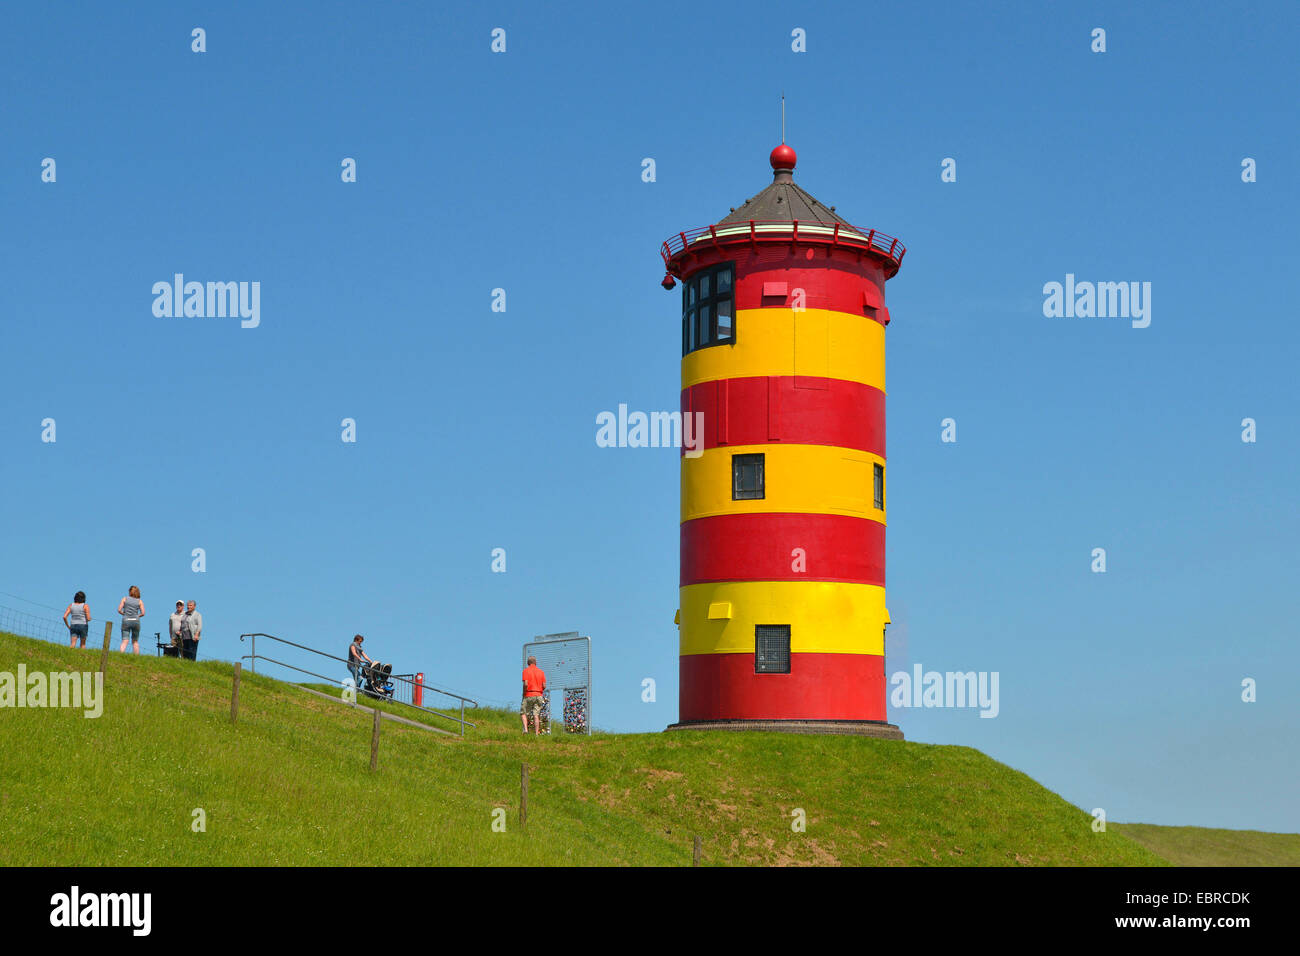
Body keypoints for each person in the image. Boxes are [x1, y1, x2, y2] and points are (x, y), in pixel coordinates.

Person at [521, 655, 546, 736]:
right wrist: (540, 691)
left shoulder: (526, 671)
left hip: (529, 694)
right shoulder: (541, 672)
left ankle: (525, 730)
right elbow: (544, 685)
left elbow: (525, 684)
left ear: (528, 663)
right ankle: (536, 734)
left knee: (524, 713)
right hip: (538, 695)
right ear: (536, 663)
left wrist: (524, 693)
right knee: (536, 715)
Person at [117, 586, 146, 654]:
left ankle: (121, 654)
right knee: (135, 641)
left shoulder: (125, 599)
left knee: (125, 640)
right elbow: (143, 613)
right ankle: (136, 656)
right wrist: (137, 616)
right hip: (135, 621)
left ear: (130, 592)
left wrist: (124, 614)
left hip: (126, 620)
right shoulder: (139, 601)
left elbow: (119, 610)